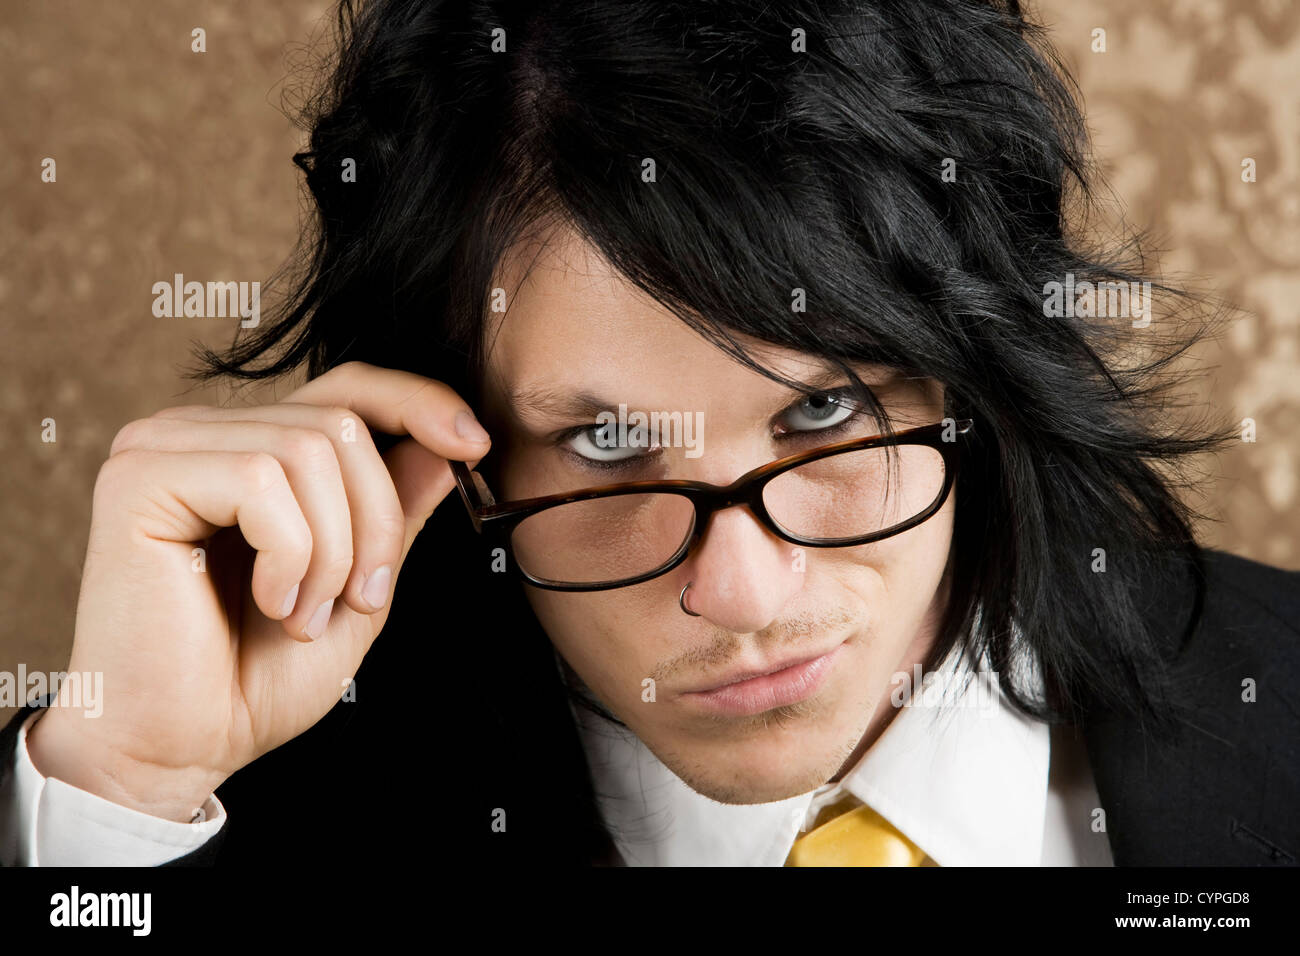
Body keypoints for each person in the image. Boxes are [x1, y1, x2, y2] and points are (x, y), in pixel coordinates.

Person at [1, 0, 1296, 868]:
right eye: (611, 445)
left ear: (979, 370)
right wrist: (122, 790)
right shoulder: (244, 818)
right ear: (449, 457)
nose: (743, 593)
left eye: (823, 410)